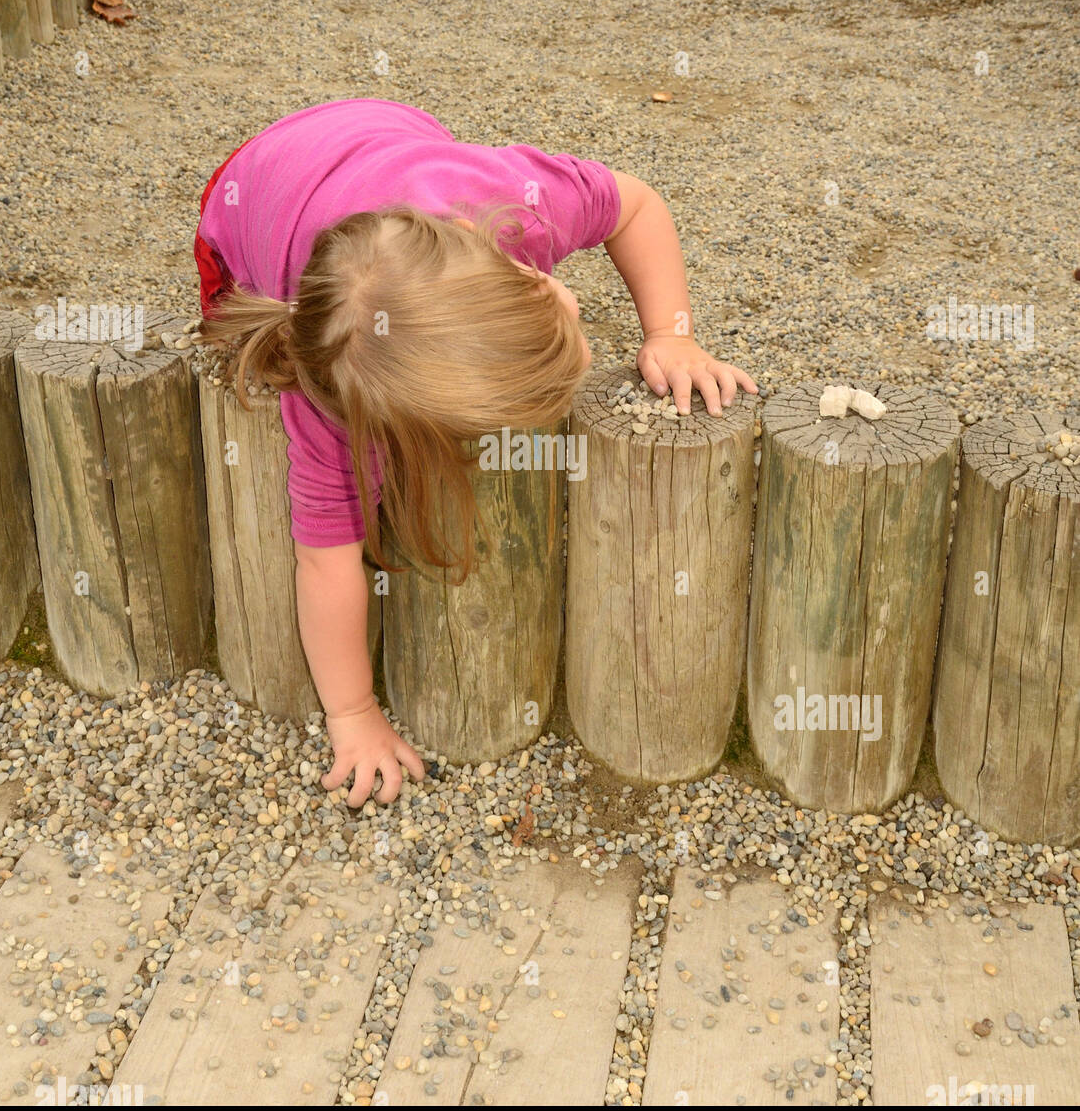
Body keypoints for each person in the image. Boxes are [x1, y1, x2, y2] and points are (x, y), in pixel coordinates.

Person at [194, 98, 756, 807]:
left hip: (378, 124)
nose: (582, 334)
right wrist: (352, 713)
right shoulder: (329, 399)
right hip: (246, 186)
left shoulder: (516, 201)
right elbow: (324, 561)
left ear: (522, 263)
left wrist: (671, 333)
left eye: (560, 310)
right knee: (232, 327)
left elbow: (637, 205)